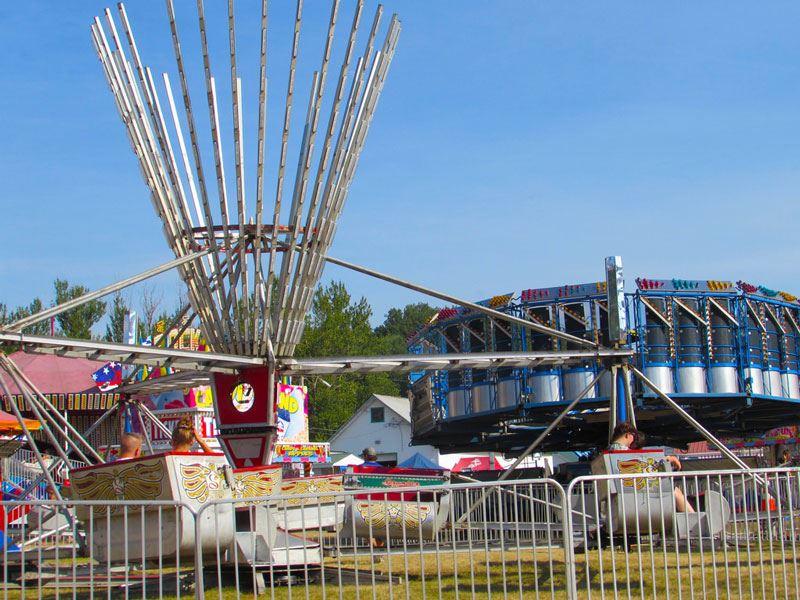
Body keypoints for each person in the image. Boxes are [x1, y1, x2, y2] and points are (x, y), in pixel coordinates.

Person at [608, 421, 695, 513]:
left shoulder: (610, 450)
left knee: (672, 490)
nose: (633, 440)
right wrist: (668, 459)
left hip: (625, 488)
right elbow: (644, 463)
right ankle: (693, 517)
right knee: (674, 491)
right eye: (634, 436)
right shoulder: (621, 451)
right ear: (628, 435)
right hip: (632, 489)